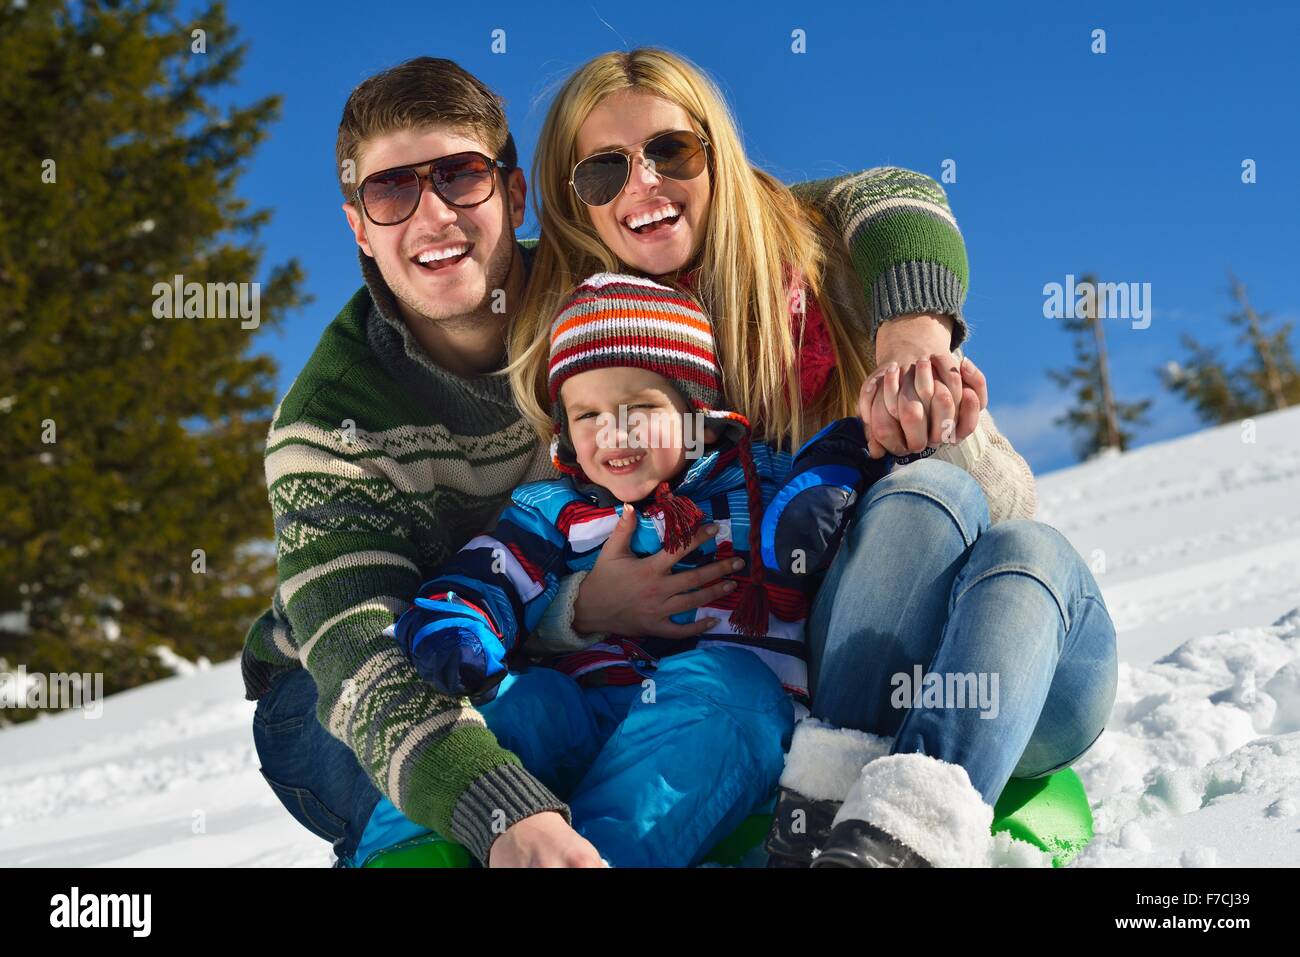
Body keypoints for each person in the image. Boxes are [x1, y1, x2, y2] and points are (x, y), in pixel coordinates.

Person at [242, 53, 988, 868]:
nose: (433, 216)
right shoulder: (329, 420)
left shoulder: (600, 281)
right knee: (454, 804)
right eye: (391, 190)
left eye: (459, 176)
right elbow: (362, 654)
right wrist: (508, 799)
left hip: (580, 664)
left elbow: (870, 199)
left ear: (514, 192)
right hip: (346, 688)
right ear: (357, 224)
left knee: (704, 730)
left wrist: (911, 336)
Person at [506, 47, 1119, 868]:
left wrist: (915, 357)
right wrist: (583, 606)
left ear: (717, 152)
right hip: (830, 679)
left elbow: (899, 194)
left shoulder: (817, 257)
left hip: (1006, 656)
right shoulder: (597, 350)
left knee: (1005, 534)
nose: (642, 184)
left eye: (672, 152)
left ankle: (892, 809)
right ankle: (888, 835)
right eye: (601, 171)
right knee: (925, 502)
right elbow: (542, 539)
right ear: (574, 201)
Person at [388, 272, 886, 865]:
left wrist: (839, 470)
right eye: (588, 414)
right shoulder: (556, 514)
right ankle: (407, 855)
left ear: (697, 412)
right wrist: (458, 629)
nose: (613, 432)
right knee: (522, 705)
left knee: (730, 690)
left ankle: (604, 856)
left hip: (713, 727)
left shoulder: (759, 487)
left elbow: (849, 518)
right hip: (591, 714)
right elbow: (489, 576)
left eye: (638, 407)